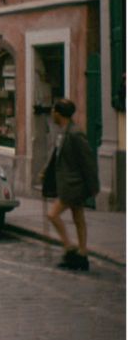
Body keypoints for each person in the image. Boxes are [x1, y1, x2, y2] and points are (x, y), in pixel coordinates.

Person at [43, 98, 100, 271]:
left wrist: (93, 186)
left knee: (52, 214)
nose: (51, 114)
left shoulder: (75, 133)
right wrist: (45, 171)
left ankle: (69, 248)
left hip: (73, 185)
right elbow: (58, 157)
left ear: (59, 114)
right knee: (78, 218)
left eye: (53, 111)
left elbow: (88, 161)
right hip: (67, 183)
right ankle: (82, 255)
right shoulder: (63, 132)